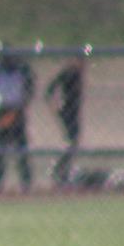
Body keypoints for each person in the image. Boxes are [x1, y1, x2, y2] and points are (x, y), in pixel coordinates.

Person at [0, 51, 36, 192]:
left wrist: (23, 104)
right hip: (2, 111)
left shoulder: (21, 70)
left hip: (17, 110)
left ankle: (26, 181)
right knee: (0, 147)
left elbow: (30, 88)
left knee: (21, 146)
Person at [45, 57, 86, 186]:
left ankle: (63, 170)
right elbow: (49, 90)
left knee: (74, 142)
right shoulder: (68, 74)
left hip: (74, 112)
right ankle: (58, 169)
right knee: (72, 142)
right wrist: (55, 105)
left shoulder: (78, 74)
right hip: (67, 111)